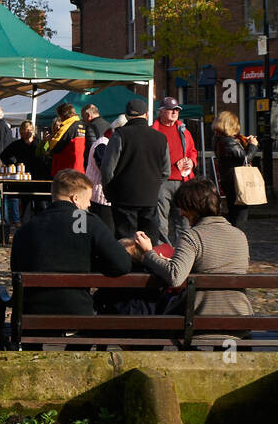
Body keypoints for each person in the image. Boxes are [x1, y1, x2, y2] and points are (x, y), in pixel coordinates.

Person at [9, 169, 132, 315]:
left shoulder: (26, 228)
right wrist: (92, 264)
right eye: (88, 200)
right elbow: (122, 265)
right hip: (76, 316)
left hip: (33, 319)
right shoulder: (87, 221)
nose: (89, 205)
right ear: (75, 199)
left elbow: (16, 269)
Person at [134, 179, 252, 317]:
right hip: (240, 316)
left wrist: (148, 252)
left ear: (193, 208)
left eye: (183, 207)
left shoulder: (192, 236)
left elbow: (175, 277)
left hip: (202, 317)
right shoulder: (240, 235)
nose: (181, 213)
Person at [101, 99, 170, 241]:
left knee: (126, 243)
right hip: (150, 198)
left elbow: (107, 169)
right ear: (146, 114)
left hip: (123, 198)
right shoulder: (161, 138)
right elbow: (166, 171)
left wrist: (109, 189)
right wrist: (153, 184)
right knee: (149, 243)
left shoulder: (120, 135)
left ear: (126, 116)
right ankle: (148, 264)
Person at [152, 95, 199, 246]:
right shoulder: (154, 131)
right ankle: (163, 252)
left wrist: (191, 162)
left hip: (183, 181)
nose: (174, 112)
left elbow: (192, 150)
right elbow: (151, 156)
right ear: (161, 111)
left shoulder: (183, 130)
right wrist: (173, 163)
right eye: (170, 109)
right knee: (161, 222)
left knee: (184, 221)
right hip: (162, 182)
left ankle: (183, 252)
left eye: (176, 110)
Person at [212, 110, 260, 229]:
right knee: (240, 214)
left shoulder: (219, 139)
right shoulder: (228, 141)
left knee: (234, 211)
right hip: (236, 181)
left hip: (228, 179)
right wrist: (253, 145)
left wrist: (245, 143)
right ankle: (237, 238)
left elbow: (236, 156)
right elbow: (245, 159)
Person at [83, 114, 124, 234]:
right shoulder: (103, 144)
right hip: (101, 198)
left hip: (108, 198)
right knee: (105, 234)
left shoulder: (111, 144)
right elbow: (106, 170)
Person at [43, 102, 85, 175]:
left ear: (63, 115)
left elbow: (54, 147)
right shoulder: (83, 124)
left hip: (67, 170)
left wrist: (50, 140)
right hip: (81, 168)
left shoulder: (66, 126)